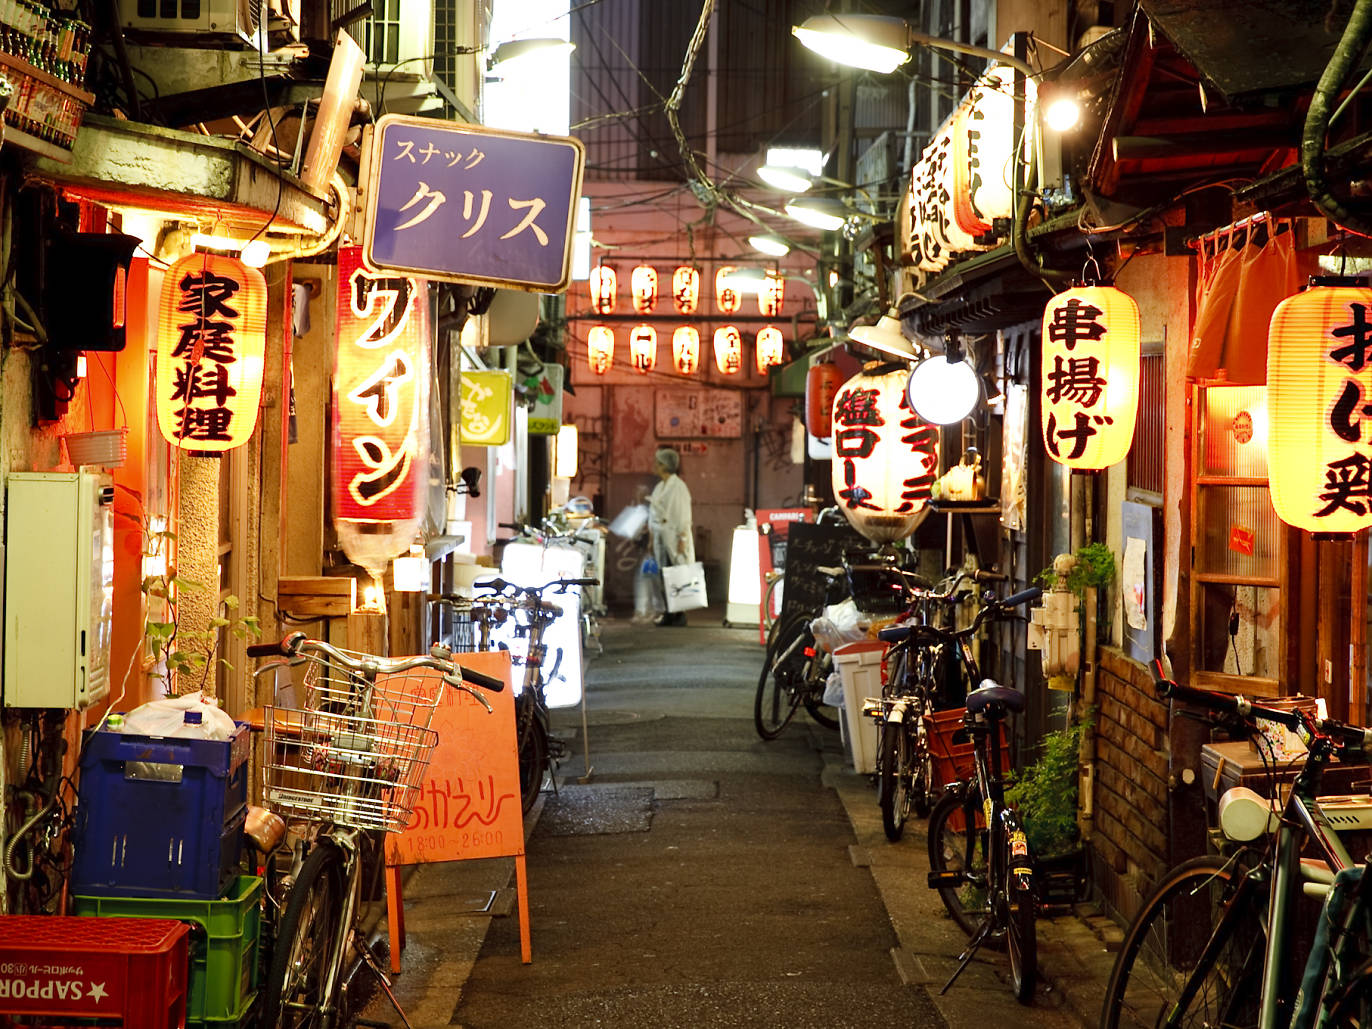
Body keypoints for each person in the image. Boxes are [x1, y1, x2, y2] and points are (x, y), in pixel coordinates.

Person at [647, 447, 694, 626]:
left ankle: (679, 613)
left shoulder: (679, 487)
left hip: (674, 537)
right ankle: (669, 611)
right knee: (664, 574)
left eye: (658, 463)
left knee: (677, 573)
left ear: (664, 466)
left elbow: (683, 515)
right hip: (661, 536)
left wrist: (683, 538)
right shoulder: (660, 487)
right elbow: (653, 513)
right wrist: (652, 537)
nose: (655, 465)